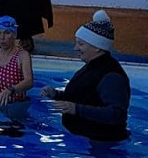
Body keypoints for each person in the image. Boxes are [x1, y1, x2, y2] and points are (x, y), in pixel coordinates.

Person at [42, 10, 130, 142]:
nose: (75, 48)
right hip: (84, 139)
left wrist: (76, 109)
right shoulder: (94, 65)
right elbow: (86, 95)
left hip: (102, 144)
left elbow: (116, 114)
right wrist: (57, 95)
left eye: (81, 44)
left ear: (97, 47)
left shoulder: (111, 76)